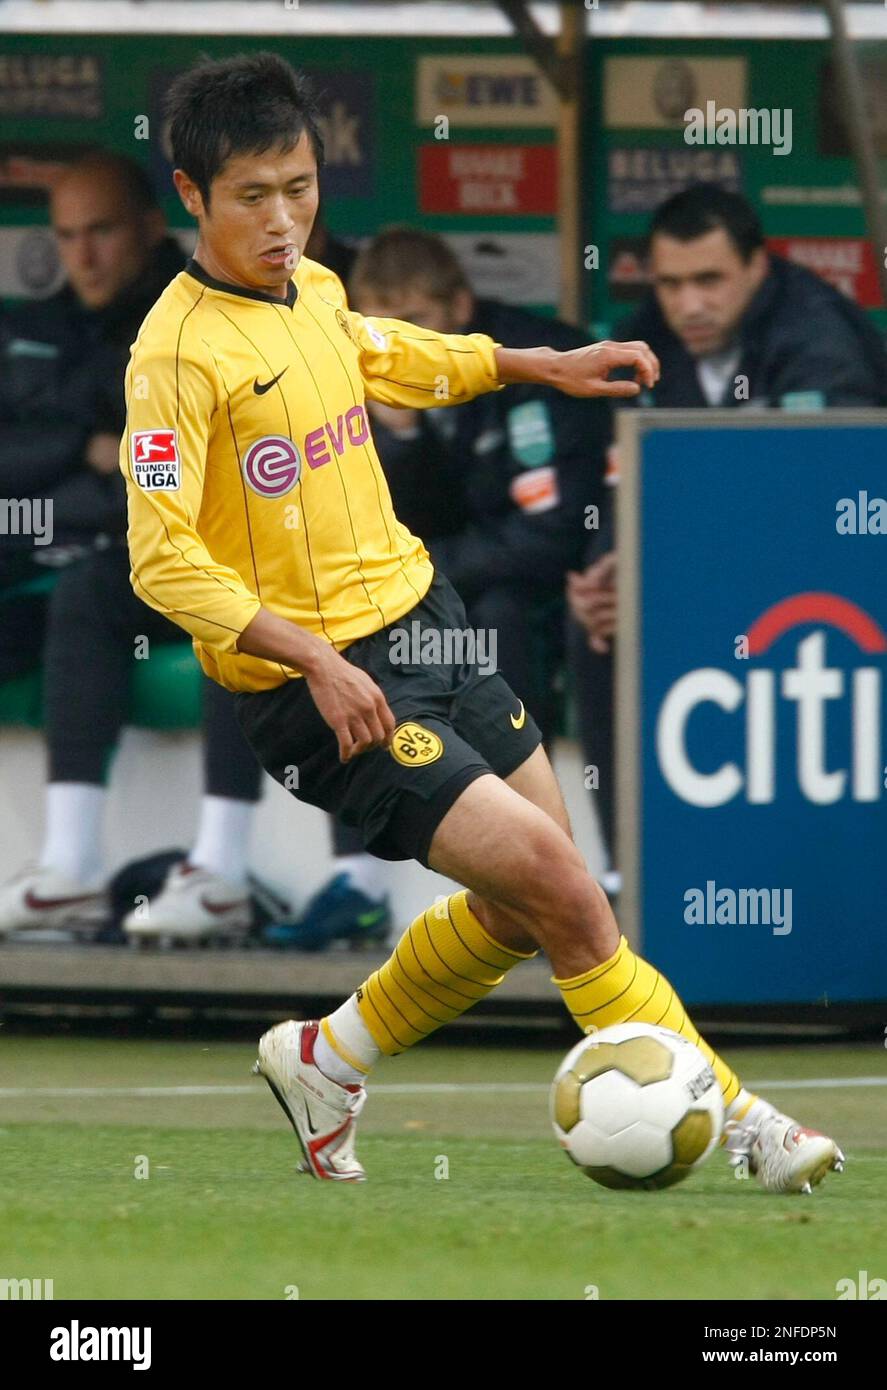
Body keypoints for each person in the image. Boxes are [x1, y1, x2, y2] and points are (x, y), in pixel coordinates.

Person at [121, 52, 842, 1192]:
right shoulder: (170, 356)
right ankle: (741, 1120)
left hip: (424, 621)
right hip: (319, 688)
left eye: (299, 187)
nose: (283, 218)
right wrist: (311, 656)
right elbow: (161, 560)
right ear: (191, 193)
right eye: (252, 196)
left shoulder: (309, 287)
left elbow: (378, 348)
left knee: (519, 910)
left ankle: (325, 1056)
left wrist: (533, 363)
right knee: (563, 884)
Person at [274, 227, 613, 950]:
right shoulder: (363, 383)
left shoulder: (518, 368)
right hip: (451, 588)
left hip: (560, 588)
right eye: (379, 327)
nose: (394, 343)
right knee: (335, 626)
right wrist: (397, 440)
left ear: (460, 305)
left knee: (489, 618)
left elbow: (547, 536)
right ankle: (363, 883)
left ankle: (557, 870)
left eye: (416, 324)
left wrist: (420, 571)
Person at [567, 183, 887, 882]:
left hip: (828, 579)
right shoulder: (645, 338)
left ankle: (811, 866)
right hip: (705, 575)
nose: (688, 304)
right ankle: (632, 870)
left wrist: (666, 574)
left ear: (755, 268)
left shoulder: (815, 335)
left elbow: (822, 504)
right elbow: (621, 484)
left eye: (708, 280)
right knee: (597, 627)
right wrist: (609, 571)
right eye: (671, 282)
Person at [0, 151, 263, 942]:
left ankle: (220, 870)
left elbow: (158, 477)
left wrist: (67, 471)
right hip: (67, 555)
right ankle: (68, 871)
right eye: (68, 235)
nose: (83, 254)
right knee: (80, 586)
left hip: (204, 556)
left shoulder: (194, 318)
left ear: (153, 227)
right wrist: (83, 443)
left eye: (102, 231)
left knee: (208, 596)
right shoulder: (37, 326)